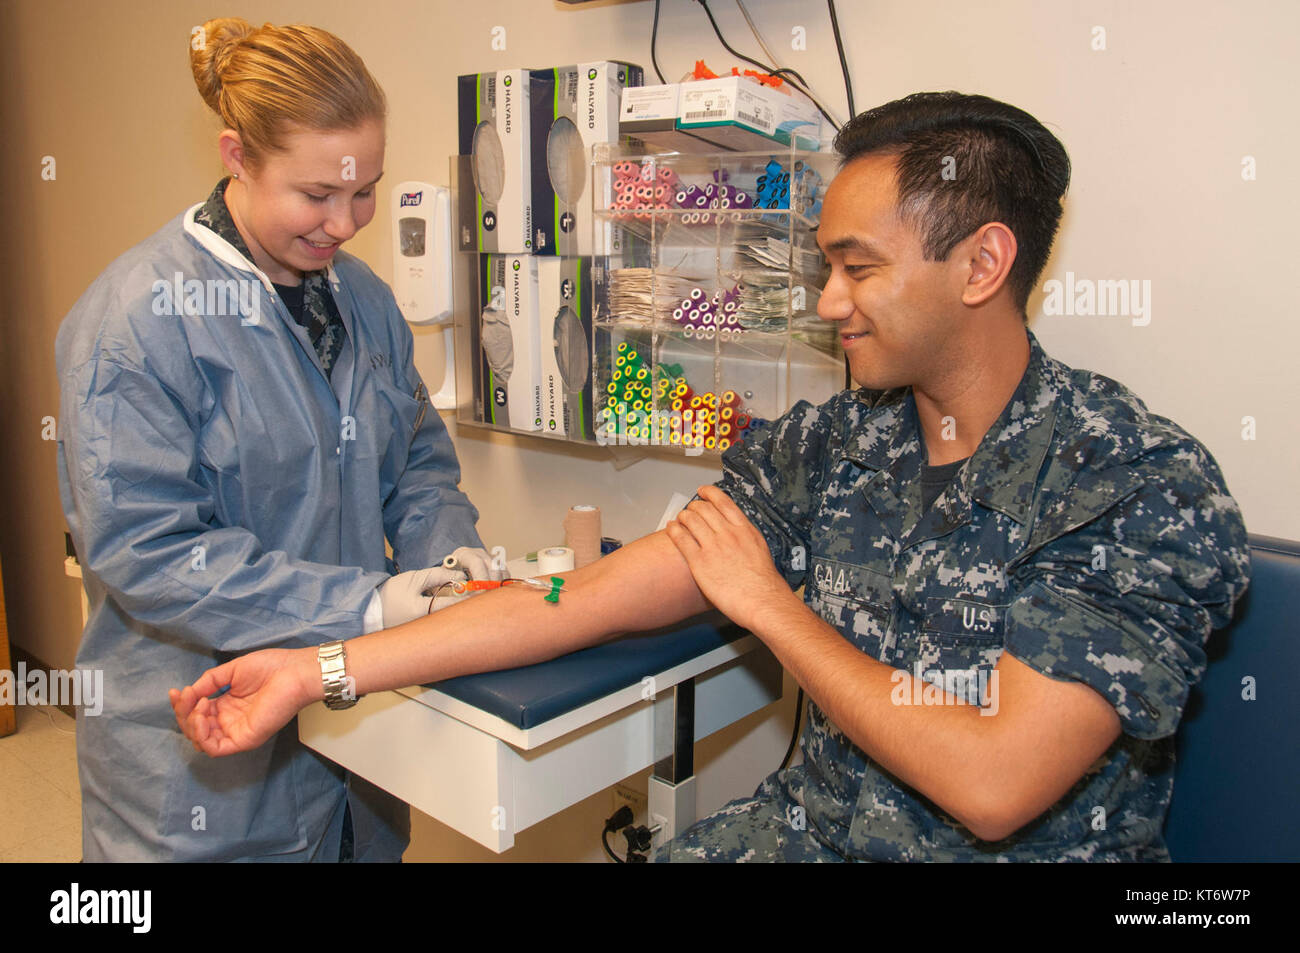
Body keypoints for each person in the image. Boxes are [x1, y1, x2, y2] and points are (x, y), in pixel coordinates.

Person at [170, 92, 1251, 862]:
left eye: (856, 267)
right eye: (826, 262)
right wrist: (322, 669)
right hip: (807, 833)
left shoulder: (1133, 481)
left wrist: (770, 608)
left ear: (980, 264)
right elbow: (594, 594)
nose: (827, 302)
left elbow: (995, 785)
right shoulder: (836, 440)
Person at [57, 18, 498, 862]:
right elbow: (148, 552)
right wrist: (365, 608)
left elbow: (416, 465)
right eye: (315, 195)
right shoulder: (136, 322)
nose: (345, 223)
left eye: (364, 189)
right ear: (237, 157)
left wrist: (452, 566)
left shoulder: (362, 300)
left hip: (354, 753)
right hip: (201, 767)